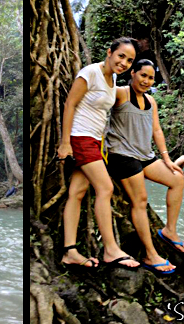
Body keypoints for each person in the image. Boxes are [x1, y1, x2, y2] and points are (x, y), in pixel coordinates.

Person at [57, 39, 141, 270]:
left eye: (129, 60)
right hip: (80, 138)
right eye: (121, 56)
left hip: (94, 141)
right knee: (106, 188)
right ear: (109, 52)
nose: (123, 63)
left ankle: (70, 251)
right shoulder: (90, 73)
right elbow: (70, 105)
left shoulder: (112, 79)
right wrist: (65, 143)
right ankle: (111, 250)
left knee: (77, 192)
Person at [105, 57, 184, 275]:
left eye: (151, 78)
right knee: (140, 200)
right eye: (143, 75)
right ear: (132, 73)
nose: (147, 81)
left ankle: (170, 230)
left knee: (178, 179)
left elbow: (157, 130)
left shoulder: (151, 101)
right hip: (121, 155)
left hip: (145, 156)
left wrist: (167, 159)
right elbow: (99, 105)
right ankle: (150, 254)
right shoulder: (120, 93)